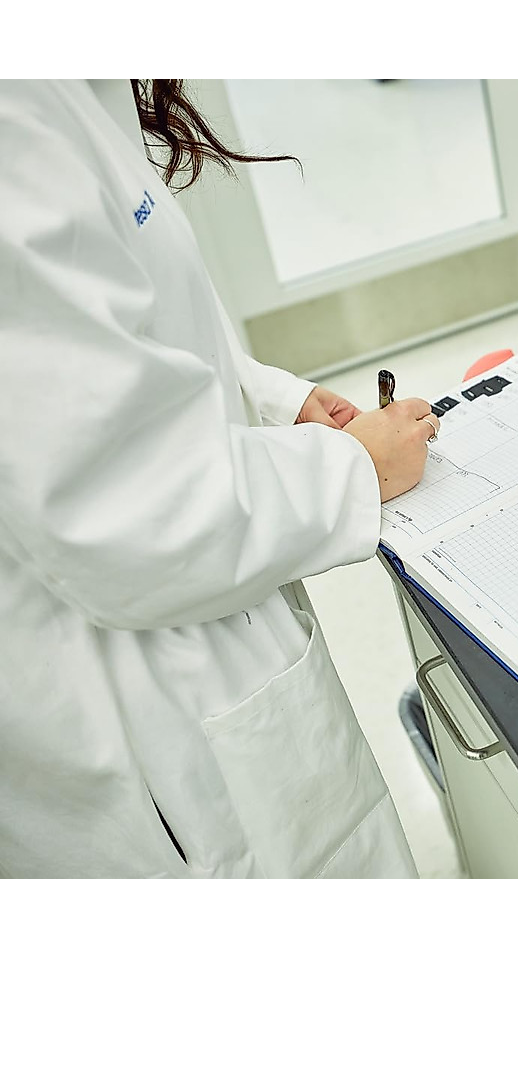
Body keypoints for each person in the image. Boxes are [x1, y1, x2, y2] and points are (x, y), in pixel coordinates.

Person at [0, 80, 440, 877]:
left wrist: (274, 397)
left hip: (184, 639)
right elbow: (135, 512)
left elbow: (114, 337)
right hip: (148, 727)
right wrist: (356, 467)